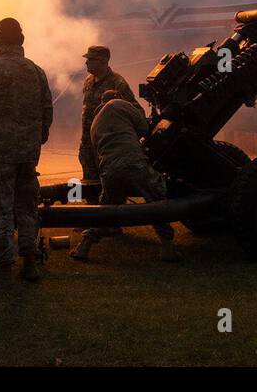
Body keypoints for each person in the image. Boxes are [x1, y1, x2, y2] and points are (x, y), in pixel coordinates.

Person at [0, 17, 53, 283]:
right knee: (27, 207)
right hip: (28, 154)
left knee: (1, 208)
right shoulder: (35, 71)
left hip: (1, 154)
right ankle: (29, 264)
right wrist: (37, 138)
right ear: (21, 40)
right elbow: (47, 110)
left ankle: (4, 267)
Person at [71, 89, 181, 263]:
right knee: (157, 199)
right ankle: (167, 249)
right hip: (132, 162)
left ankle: (84, 246)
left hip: (108, 170)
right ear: (118, 97)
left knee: (107, 209)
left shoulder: (94, 124)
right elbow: (144, 129)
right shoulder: (119, 104)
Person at [79, 46, 137, 182]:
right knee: (89, 185)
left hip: (106, 146)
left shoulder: (118, 83)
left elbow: (134, 110)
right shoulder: (89, 81)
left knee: (109, 185)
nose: (86, 62)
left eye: (91, 59)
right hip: (88, 144)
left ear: (103, 61)